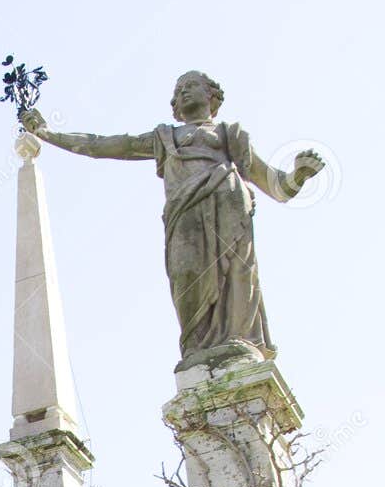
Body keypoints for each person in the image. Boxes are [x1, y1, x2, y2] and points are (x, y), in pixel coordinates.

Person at [23, 72, 324, 364]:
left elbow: (277, 186)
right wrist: (48, 134)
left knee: (235, 278)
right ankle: (197, 353)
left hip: (230, 215)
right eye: (179, 90)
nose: (183, 92)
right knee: (187, 276)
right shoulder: (164, 137)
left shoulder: (229, 134)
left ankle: (238, 343)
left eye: (191, 85)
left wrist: (299, 175)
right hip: (185, 220)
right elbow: (104, 146)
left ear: (211, 95)